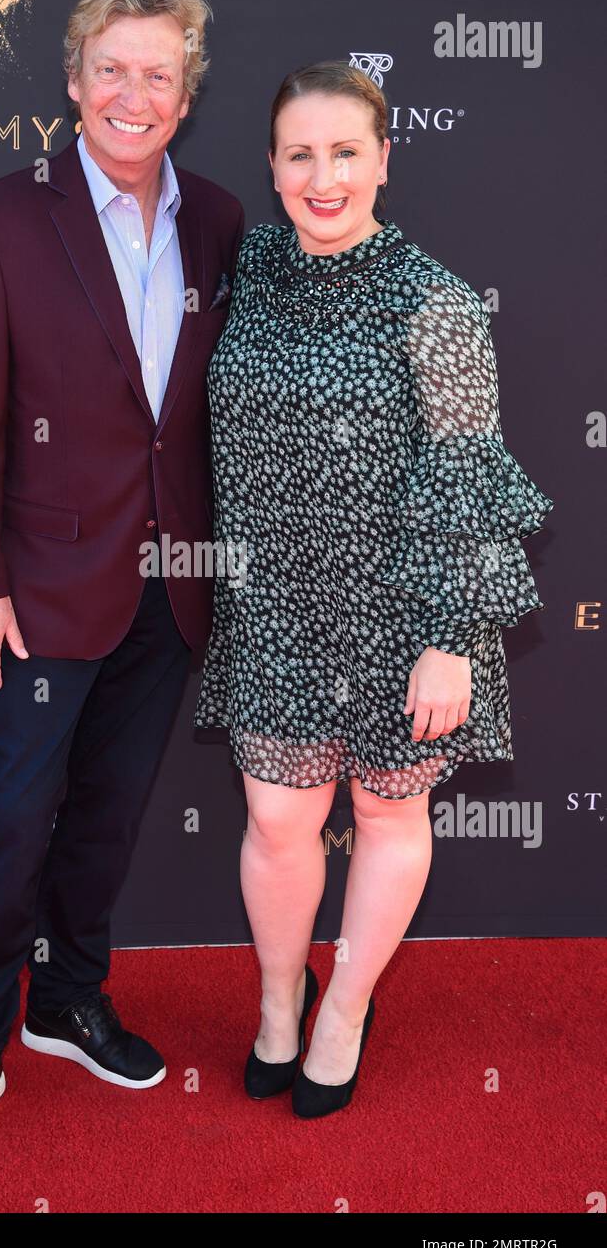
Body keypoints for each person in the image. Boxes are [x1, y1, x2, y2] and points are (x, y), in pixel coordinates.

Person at [0, 0, 244, 1176]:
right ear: (72, 81)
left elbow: (204, 414)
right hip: (40, 584)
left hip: (173, 581)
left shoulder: (218, 220)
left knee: (105, 818)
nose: (132, 94)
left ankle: (66, 1000)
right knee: (11, 821)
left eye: (158, 72)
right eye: (111, 70)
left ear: (186, 91)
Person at [194, 60, 553, 1119]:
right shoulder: (249, 269)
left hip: (406, 611)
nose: (322, 175)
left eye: (345, 151)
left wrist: (449, 634)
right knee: (273, 821)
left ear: (384, 160)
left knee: (386, 816)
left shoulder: (434, 302)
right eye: (299, 153)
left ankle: (343, 1006)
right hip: (273, 606)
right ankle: (276, 998)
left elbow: (464, 467)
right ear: (269, 166)